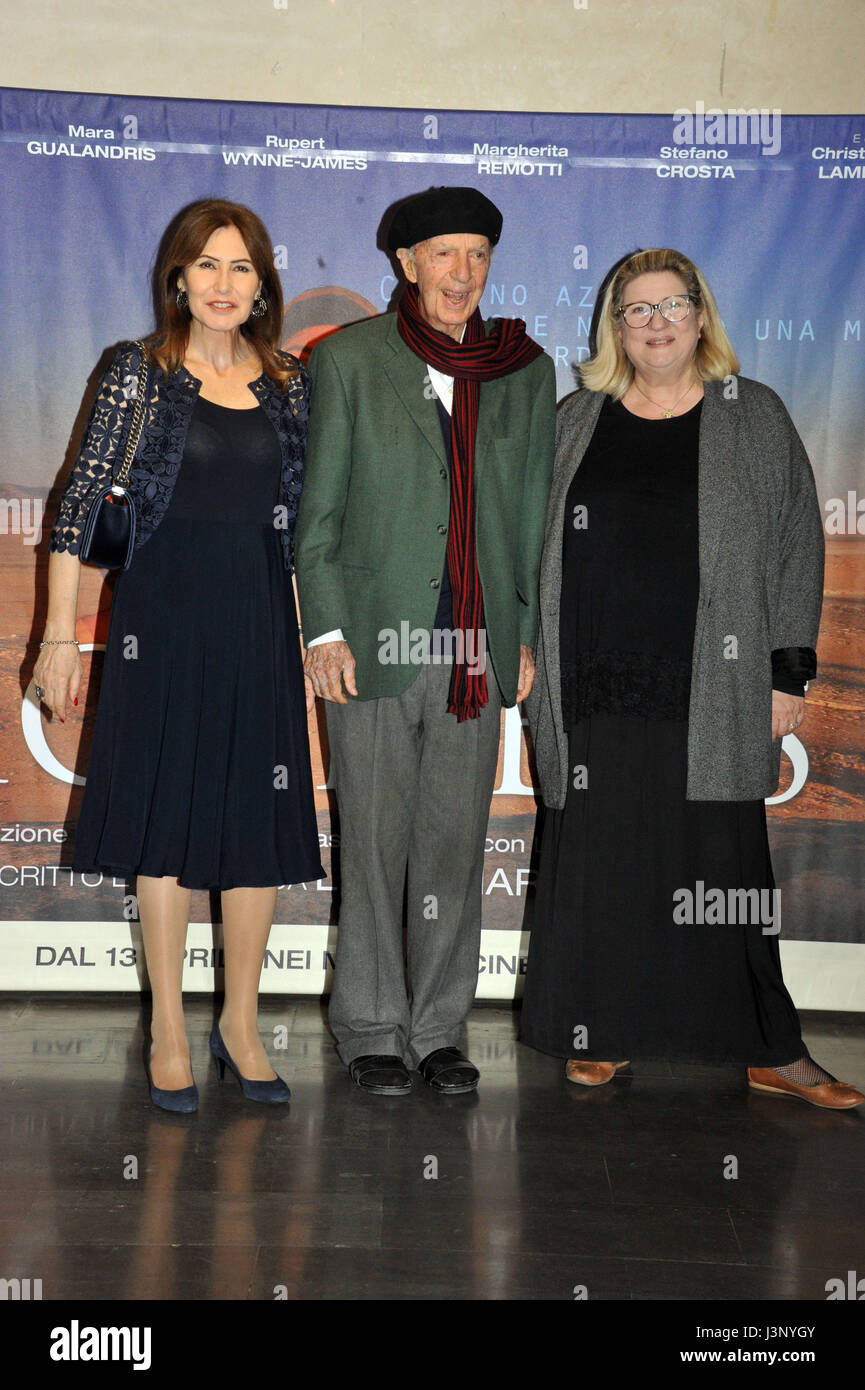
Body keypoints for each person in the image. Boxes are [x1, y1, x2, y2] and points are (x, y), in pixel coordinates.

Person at [521, 247, 864, 1110]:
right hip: (595, 681)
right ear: (615, 327)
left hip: (715, 681)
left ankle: (766, 1046)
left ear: (701, 316)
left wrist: (790, 668)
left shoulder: (752, 416)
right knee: (603, 860)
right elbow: (529, 549)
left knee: (723, 868)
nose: (656, 323)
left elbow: (795, 542)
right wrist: (524, 653)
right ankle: (597, 1031)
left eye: (672, 305)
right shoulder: (574, 420)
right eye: (636, 310)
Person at [37, 199, 324, 1111]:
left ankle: (240, 1022)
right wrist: (59, 638)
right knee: (164, 823)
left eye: (241, 268)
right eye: (207, 266)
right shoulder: (138, 371)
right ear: (177, 279)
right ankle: (168, 1024)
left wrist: (321, 632)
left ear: (262, 283)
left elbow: (312, 524)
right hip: (157, 623)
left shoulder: (289, 382)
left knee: (253, 828)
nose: (224, 284)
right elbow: (79, 509)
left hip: (257, 626)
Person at [295, 186, 556, 1095]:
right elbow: (317, 509)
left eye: (476, 255)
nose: (461, 273)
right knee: (369, 841)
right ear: (406, 264)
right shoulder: (351, 361)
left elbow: (527, 518)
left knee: (454, 842)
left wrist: (518, 633)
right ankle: (370, 1026)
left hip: (475, 649)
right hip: (371, 640)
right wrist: (322, 626)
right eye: (443, 254)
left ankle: (440, 1028)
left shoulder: (523, 369)